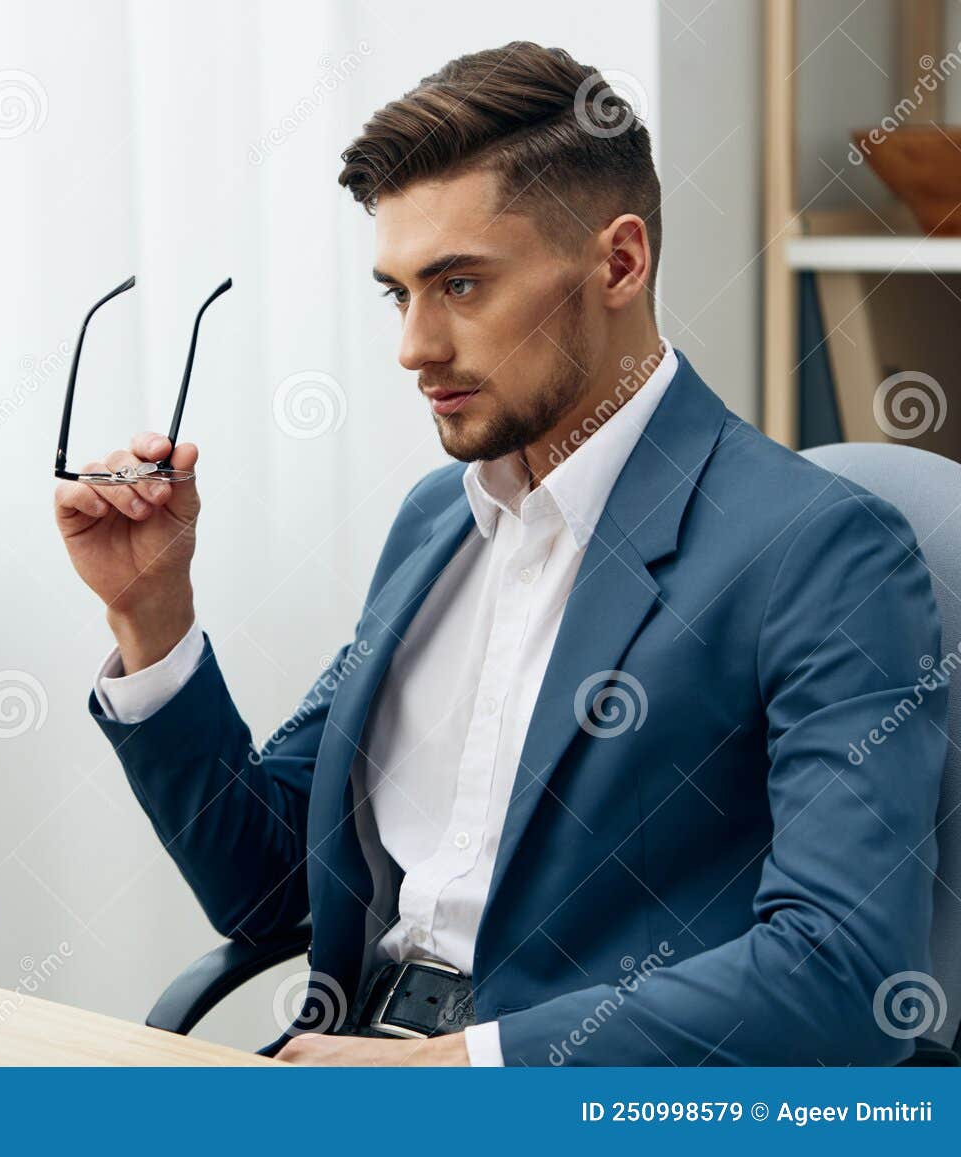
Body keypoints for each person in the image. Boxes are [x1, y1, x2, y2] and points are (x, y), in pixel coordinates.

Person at [51, 41, 946, 1065]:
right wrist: (150, 612)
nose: (414, 346)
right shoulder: (438, 523)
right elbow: (265, 891)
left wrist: (452, 1072)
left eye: (461, 285)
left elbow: (840, 971)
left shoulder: (818, 552)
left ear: (618, 262)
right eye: (398, 292)